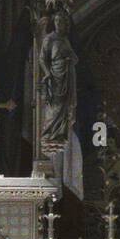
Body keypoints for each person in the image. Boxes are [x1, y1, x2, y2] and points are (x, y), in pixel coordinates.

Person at [37, 8, 78, 154]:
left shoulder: (65, 39)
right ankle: (49, 136)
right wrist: (48, 74)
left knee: (64, 108)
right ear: (54, 22)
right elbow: (42, 59)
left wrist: (68, 59)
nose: (60, 24)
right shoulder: (50, 38)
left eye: (63, 21)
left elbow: (75, 58)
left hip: (66, 76)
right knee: (54, 107)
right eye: (57, 21)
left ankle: (59, 136)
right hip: (55, 77)